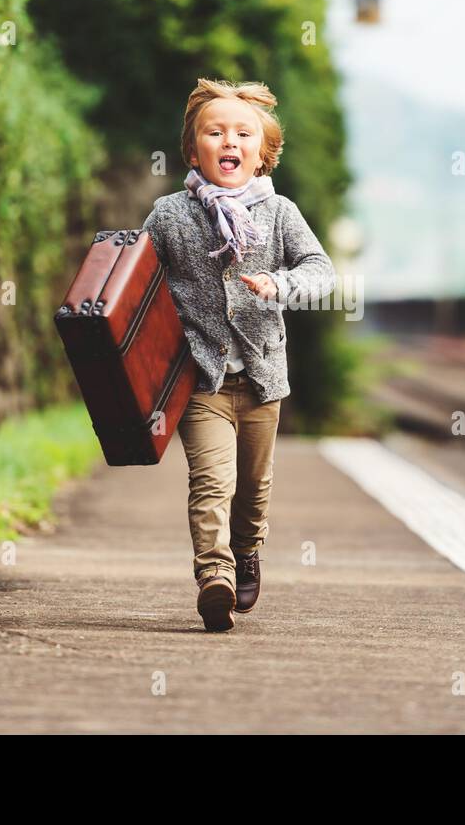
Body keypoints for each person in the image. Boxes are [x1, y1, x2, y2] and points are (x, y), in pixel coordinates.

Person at [142, 77, 336, 632]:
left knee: (252, 493)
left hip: (261, 382)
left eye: (242, 133)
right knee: (211, 483)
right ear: (194, 148)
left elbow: (320, 272)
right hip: (200, 381)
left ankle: (247, 549)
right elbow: (136, 286)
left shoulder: (280, 213)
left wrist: (280, 284)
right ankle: (214, 578)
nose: (229, 141)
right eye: (215, 132)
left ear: (262, 151)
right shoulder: (172, 214)